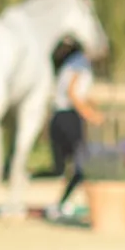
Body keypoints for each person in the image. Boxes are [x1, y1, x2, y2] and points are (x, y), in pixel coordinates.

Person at [47, 38, 103, 215]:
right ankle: (62, 204)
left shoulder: (72, 63)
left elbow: (76, 92)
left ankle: (64, 202)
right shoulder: (80, 64)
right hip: (68, 117)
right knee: (81, 165)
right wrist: (90, 114)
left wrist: (90, 104)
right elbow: (72, 93)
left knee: (67, 167)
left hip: (59, 116)